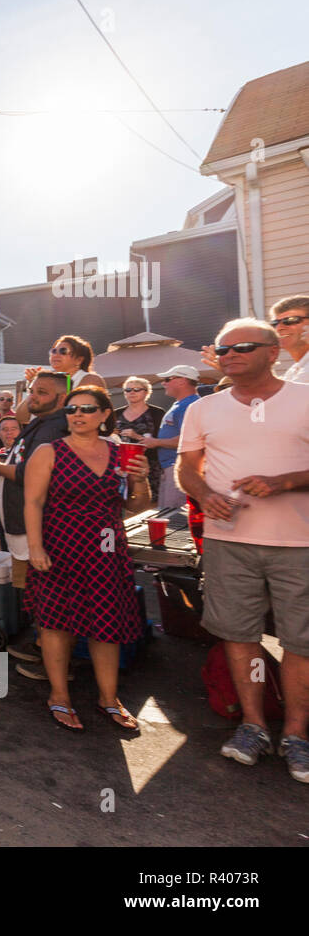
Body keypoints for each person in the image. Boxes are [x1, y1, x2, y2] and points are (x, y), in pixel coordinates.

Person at [177, 318, 309, 783]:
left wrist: (287, 481)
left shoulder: (305, 397)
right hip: (229, 541)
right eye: (222, 349)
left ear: (273, 352)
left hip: (300, 542)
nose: (229, 355)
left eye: (243, 347)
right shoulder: (203, 409)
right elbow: (186, 468)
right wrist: (202, 494)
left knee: (302, 641)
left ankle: (296, 734)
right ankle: (253, 725)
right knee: (239, 635)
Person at [24, 387, 153, 732]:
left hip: (107, 551)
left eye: (86, 408)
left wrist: (140, 478)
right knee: (56, 625)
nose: (77, 414)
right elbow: (33, 503)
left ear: (104, 414)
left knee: (106, 626)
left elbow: (138, 506)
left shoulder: (120, 453)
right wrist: (35, 548)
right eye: (71, 409)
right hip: (60, 547)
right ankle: (59, 696)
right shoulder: (48, 451)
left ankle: (109, 699)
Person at [0, 371, 71, 677]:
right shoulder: (40, 423)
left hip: (42, 530)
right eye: (32, 391)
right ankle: (41, 646)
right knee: (37, 594)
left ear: (62, 398)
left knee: (51, 599)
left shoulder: (54, 428)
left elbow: (30, 474)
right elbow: (20, 413)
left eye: (42, 392)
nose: (33, 397)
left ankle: (55, 665)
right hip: (23, 526)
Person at [141, 364, 200, 510]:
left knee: (172, 516)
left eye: (168, 379)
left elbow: (189, 439)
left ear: (182, 381)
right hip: (172, 468)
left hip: (178, 468)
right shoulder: (182, 404)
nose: (163, 383)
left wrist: (156, 442)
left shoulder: (190, 405)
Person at [16, 334, 106, 424]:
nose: (56, 355)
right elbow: (21, 418)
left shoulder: (91, 379)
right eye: (53, 351)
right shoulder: (46, 380)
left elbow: (77, 413)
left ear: (79, 360)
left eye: (63, 351)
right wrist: (34, 388)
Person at [114, 376, 165, 500]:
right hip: (121, 466)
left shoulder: (157, 413)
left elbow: (160, 440)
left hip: (149, 465)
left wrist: (135, 436)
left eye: (137, 389)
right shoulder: (116, 414)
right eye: (128, 390)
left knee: (150, 501)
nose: (132, 392)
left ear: (146, 392)